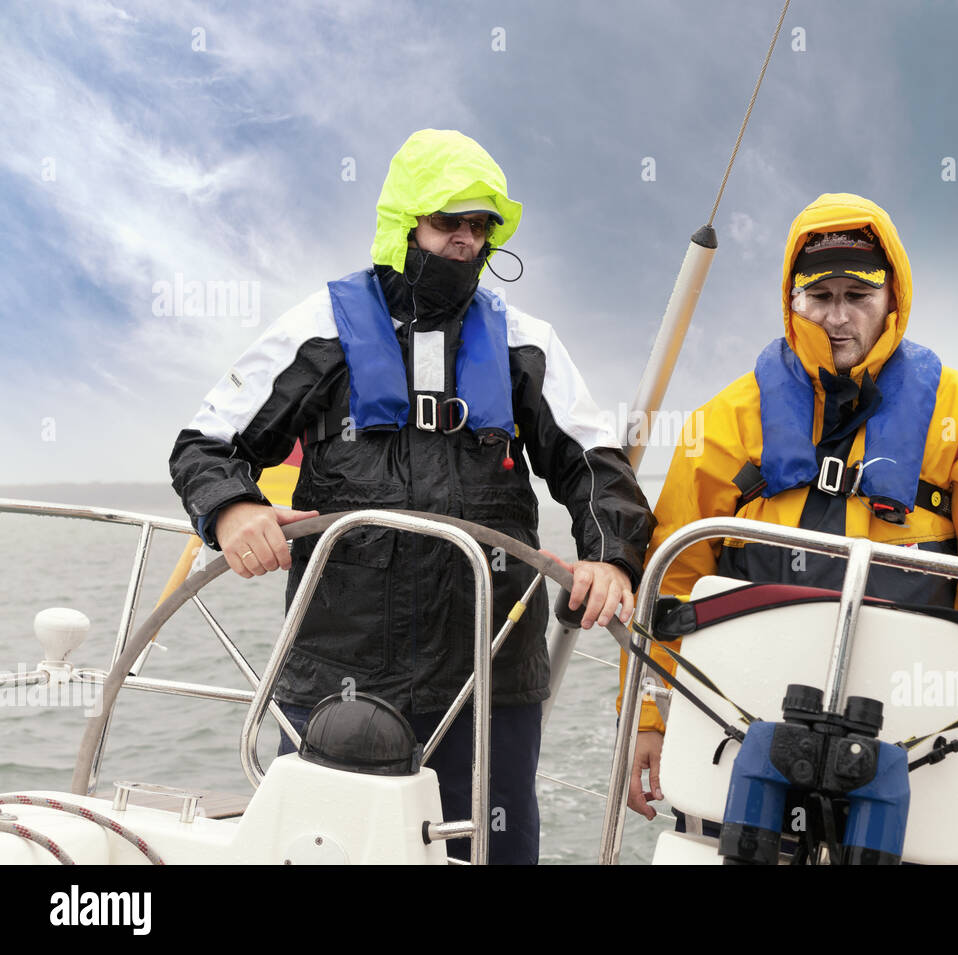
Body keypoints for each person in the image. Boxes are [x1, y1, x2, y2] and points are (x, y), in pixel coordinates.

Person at [170, 129, 654, 864]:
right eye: (447, 223)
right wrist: (234, 509)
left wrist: (612, 559)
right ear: (405, 225)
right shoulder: (319, 329)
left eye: (479, 226)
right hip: (338, 672)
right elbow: (205, 445)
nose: (465, 241)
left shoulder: (526, 342)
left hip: (488, 678)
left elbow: (594, 467)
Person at [623, 193, 958, 838]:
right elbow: (673, 579)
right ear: (791, 302)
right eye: (821, 298)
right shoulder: (726, 420)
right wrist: (647, 720)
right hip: (741, 723)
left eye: (858, 295)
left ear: (892, 298)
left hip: (916, 737)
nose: (840, 317)